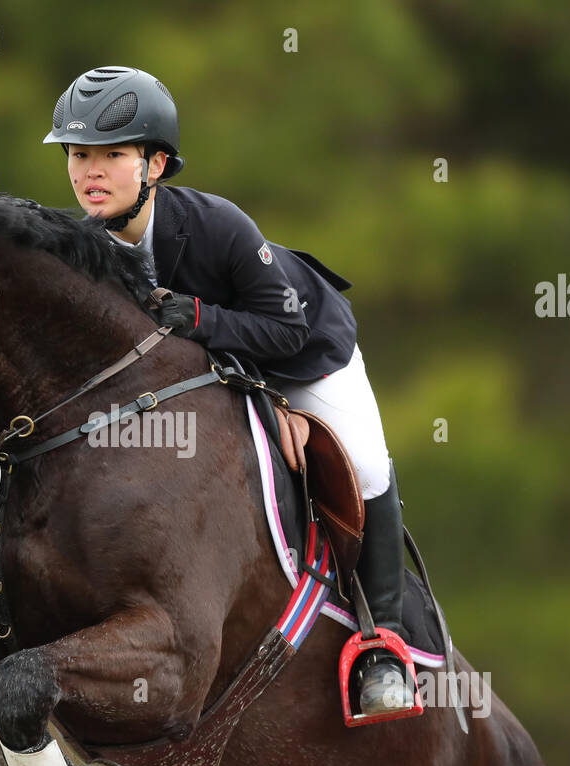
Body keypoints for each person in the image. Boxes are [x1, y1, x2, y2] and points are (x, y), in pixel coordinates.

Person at [43, 66, 417, 717]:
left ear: (156, 164)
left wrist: (193, 318)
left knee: (363, 466)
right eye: (79, 155)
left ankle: (384, 643)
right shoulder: (85, 252)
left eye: (112, 154)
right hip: (217, 372)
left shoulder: (218, 226)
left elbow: (285, 324)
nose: (90, 172)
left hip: (304, 355)